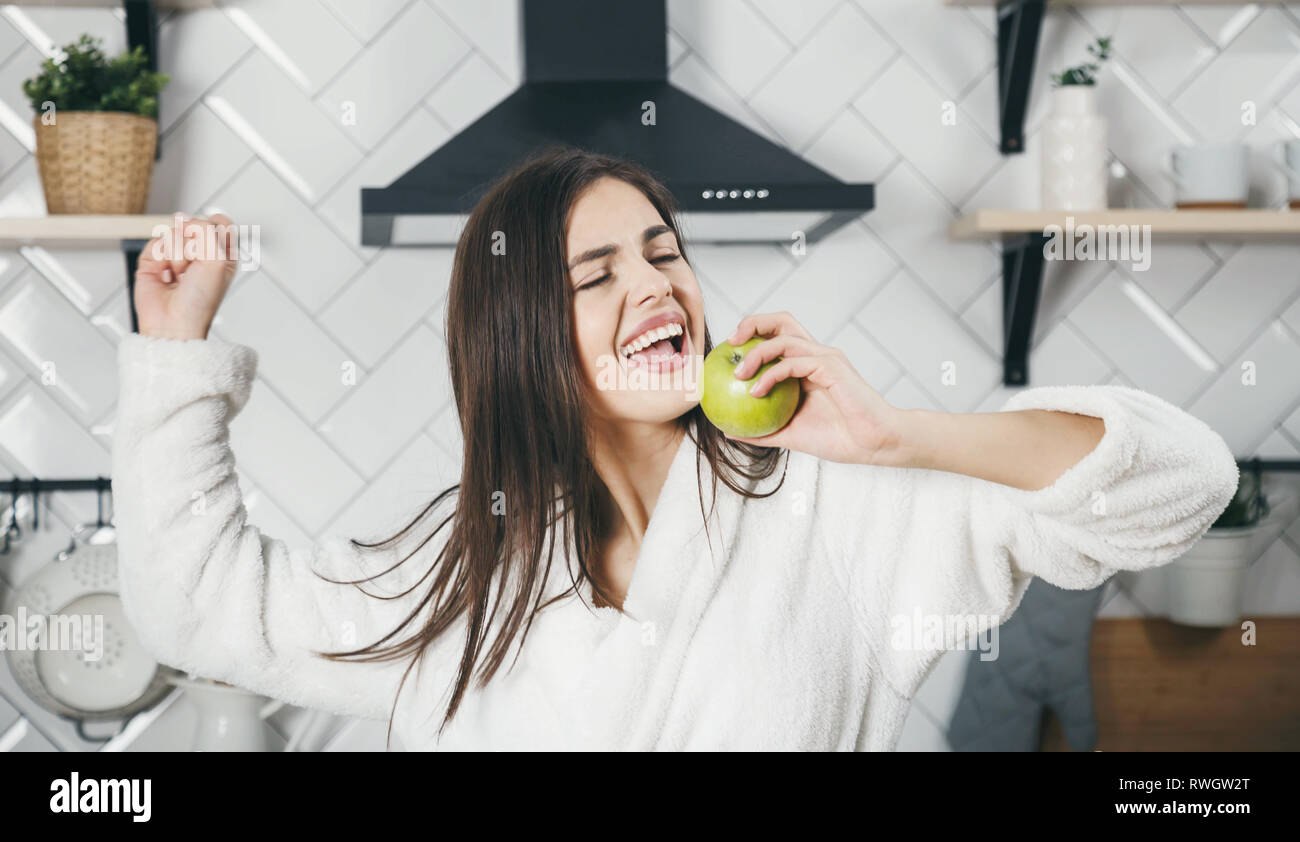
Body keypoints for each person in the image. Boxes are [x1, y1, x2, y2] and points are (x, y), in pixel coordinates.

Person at [111, 145, 1239, 751]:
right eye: (596, 274)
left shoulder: (841, 504)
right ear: (522, 344)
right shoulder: (460, 572)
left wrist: (901, 436)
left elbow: (1182, 484)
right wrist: (172, 351)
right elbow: (194, 604)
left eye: (662, 254)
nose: (654, 285)